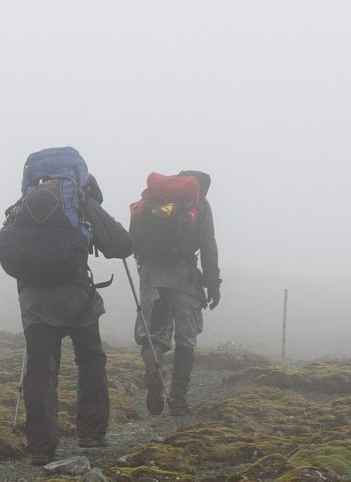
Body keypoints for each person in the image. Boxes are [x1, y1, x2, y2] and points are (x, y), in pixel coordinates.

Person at [14, 173, 132, 465]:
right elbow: (122, 245)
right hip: (77, 300)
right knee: (91, 359)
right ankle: (91, 433)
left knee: (41, 368)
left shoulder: (26, 203)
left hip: (35, 301)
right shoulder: (80, 201)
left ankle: (41, 446)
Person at [134, 169, 220, 416]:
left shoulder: (154, 200)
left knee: (153, 334)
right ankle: (178, 400)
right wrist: (213, 283)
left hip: (151, 277)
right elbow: (208, 245)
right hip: (184, 277)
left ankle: (154, 369)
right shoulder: (198, 205)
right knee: (186, 338)